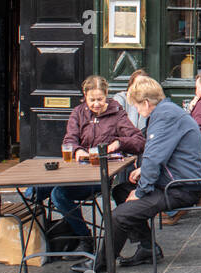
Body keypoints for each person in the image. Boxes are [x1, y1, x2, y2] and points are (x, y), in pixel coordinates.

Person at [33, 75, 145, 255]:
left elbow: (138, 140)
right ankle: (44, 238)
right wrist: (77, 150)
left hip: (98, 176)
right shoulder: (78, 112)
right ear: (85, 96)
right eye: (92, 100)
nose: (96, 104)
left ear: (107, 95)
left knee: (58, 194)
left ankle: (84, 238)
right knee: (36, 191)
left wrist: (119, 142)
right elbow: (69, 139)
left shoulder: (117, 114)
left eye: (100, 99)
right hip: (75, 172)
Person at [105, 75, 201, 268]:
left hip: (180, 187)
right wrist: (143, 171)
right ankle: (147, 248)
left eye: (135, 105)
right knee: (120, 191)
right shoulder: (168, 111)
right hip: (179, 180)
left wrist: (141, 191)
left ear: (145, 102)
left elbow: (153, 157)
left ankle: (102, 265)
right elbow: (163, 154)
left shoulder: (164, 116)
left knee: (119, 215)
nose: (135, 109)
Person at [116, 68, 151, 134]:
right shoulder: (121, 98)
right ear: (131, 84)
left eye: (143, 85)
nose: (139, 88)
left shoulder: (151, 101)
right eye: (136, 84)